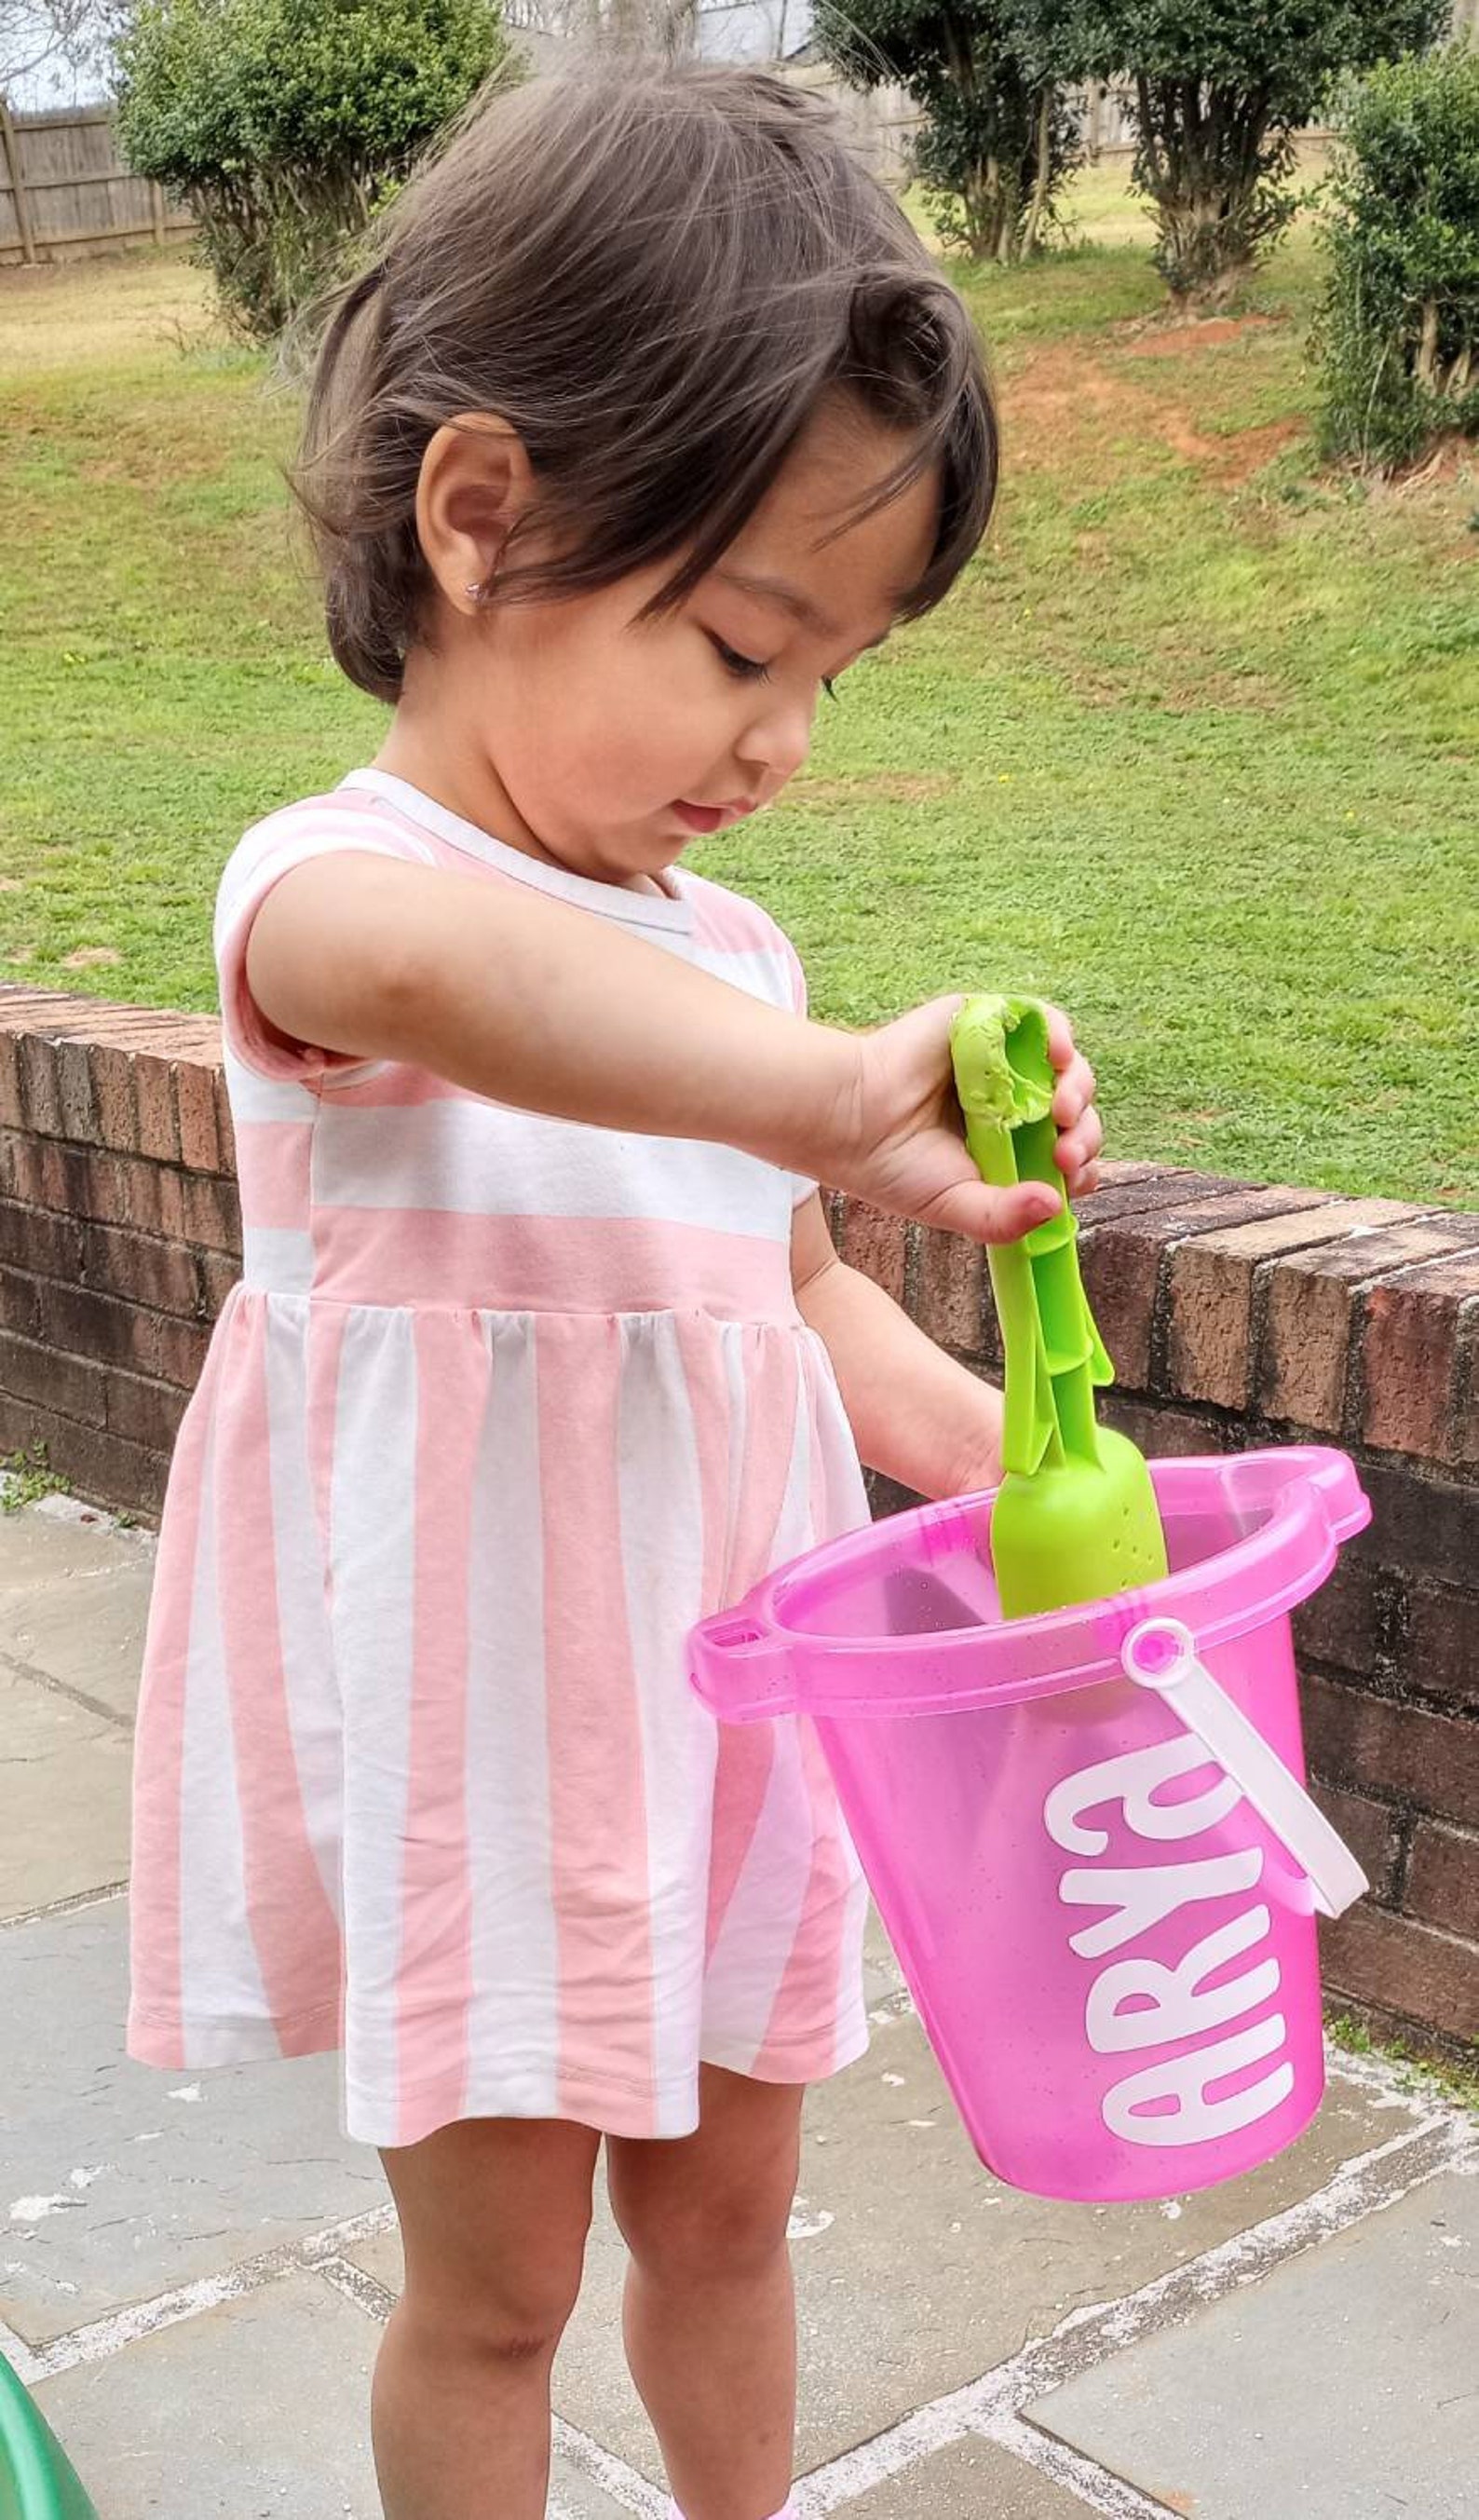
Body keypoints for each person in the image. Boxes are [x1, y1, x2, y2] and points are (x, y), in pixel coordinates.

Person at [127, 54, 1102, 2520]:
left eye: (832, 679)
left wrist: (1012, 1461)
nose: (780, 738)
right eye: (741, 642)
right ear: (480, 514)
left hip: (730, 1722)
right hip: (475, 1750)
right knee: (497, 2290)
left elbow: (792, 1306)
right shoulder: (321, 889)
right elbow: (450, 980)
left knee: (735, 2218)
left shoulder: (736, 954)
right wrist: (797, 1092)